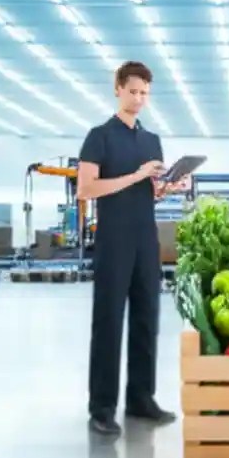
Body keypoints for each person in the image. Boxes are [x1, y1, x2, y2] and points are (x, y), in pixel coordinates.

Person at [76, 61, 188, 436]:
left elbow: (147, 194)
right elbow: (86, 189)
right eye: (133, 91)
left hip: (145, 238)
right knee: (108, 322)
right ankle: (102, 408)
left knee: (146, 319)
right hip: (113, 239)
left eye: (145, 94)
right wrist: (138, 175)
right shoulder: (99, 137)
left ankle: (141, 399)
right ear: (118, 89)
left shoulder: (151, 140)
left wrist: (170, 186)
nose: (139, 99)